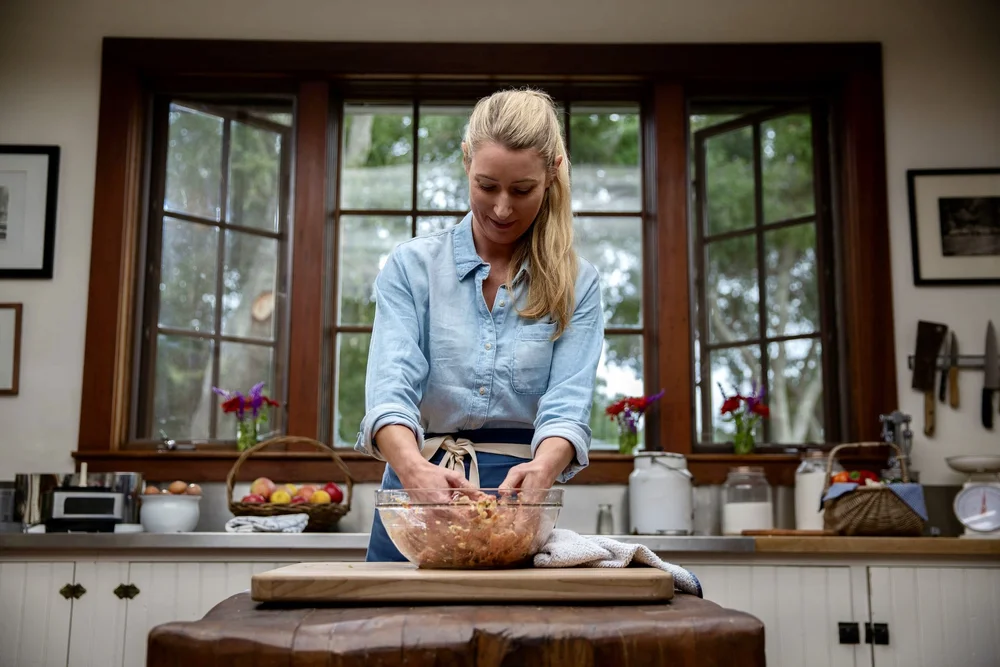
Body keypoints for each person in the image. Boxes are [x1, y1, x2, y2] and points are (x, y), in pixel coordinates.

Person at [354, 88, 605, 562]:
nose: (503, 208)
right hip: (416, 492)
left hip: (515, 503)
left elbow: (567, 405)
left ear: (552, 173)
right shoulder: (413, 267)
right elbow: (390, 388)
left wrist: (543, 471)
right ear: (466, 160)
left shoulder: (578, 283)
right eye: (487, 187)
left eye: (522, 190)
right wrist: (412, 470)